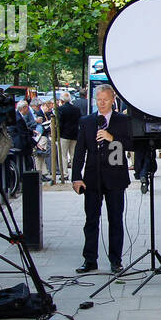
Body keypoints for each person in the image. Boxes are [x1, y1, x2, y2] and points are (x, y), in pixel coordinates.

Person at [71, 84, 132, 273]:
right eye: (99, 100)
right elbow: (79, 151)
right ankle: (90, 260)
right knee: (91, 220)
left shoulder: (123, 120)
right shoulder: (87, 121)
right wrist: (76, 177)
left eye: (105, 99)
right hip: (92, 178)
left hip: (115, 177)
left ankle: (116, 260)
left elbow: (132, 144)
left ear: (113, 99)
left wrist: (111, 137)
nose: (102, 103)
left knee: (115, 220)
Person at [57, 92, 80, 182]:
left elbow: (60, 123)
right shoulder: (76, 109)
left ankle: (65, 174)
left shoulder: (60, 109)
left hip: (64, 135)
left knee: (63, 155)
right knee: (74, 155)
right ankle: (75, 173)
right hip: (74, 134)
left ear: (62, 100)